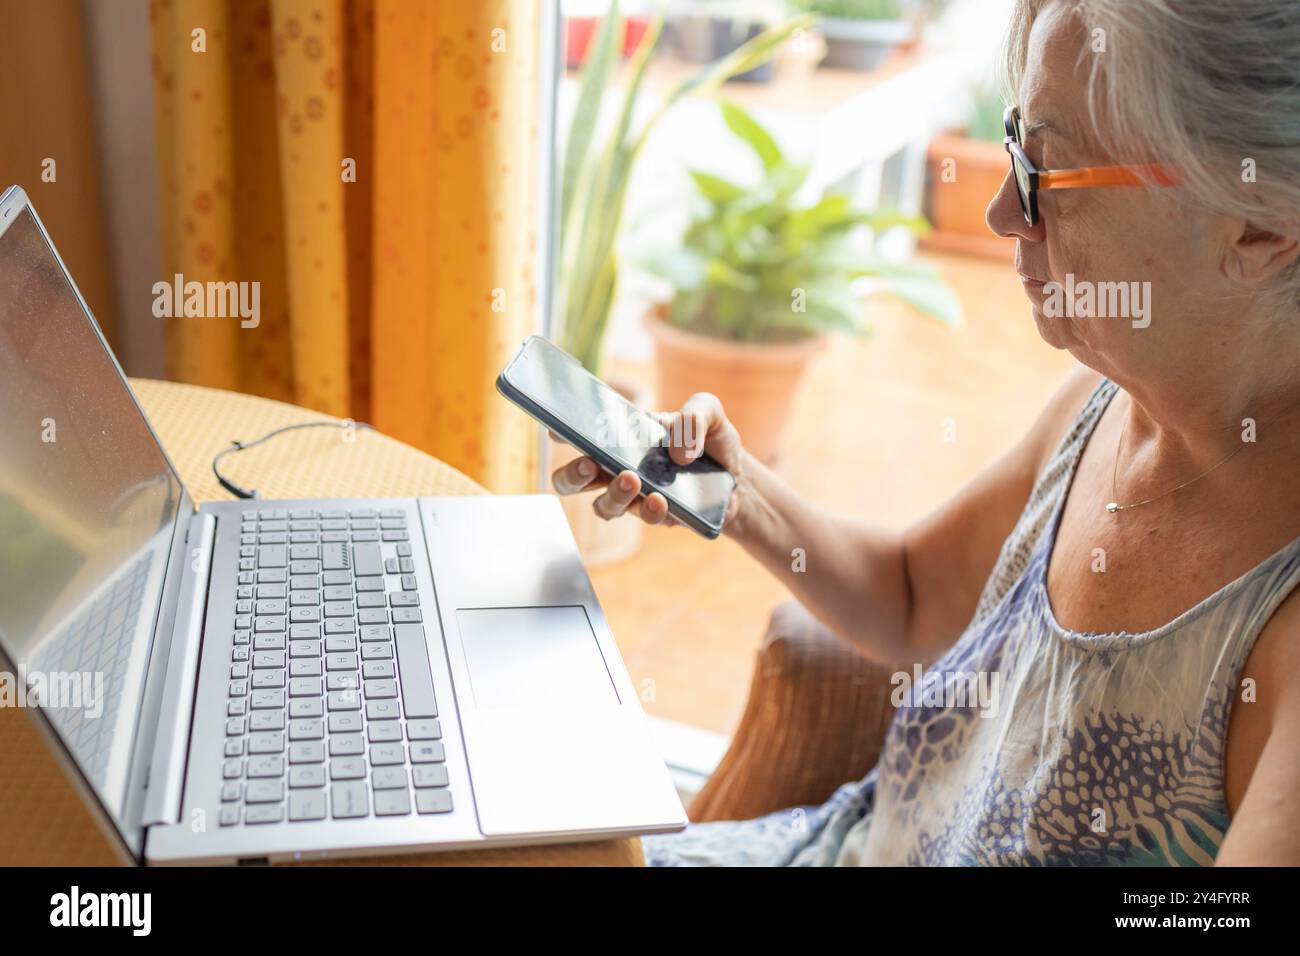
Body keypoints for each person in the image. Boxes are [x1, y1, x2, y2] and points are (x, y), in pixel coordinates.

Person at [553, 0, 1300, 865]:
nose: (1001, 214)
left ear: (1260, 225)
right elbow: (912, 600)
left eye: (1048, 174)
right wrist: (736, 488)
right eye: (1016, 145)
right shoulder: (1097, 404)